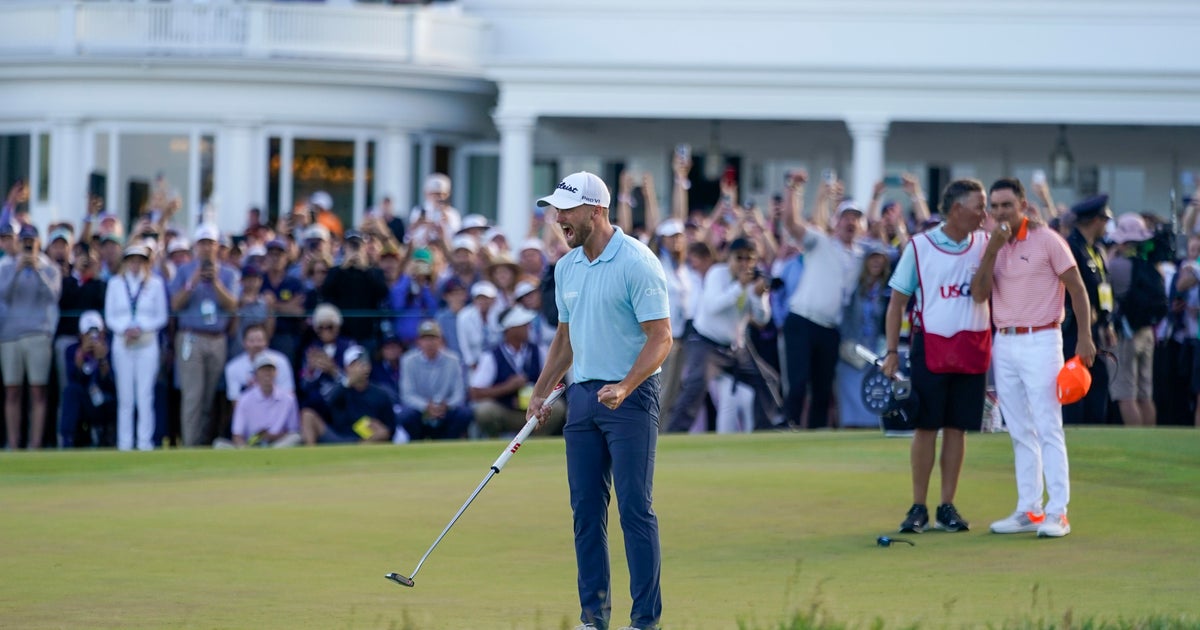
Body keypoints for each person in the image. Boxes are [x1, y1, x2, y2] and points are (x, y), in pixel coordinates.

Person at [525, 171, 672, 630]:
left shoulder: (637, 262)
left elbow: (661, 338)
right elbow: (565, 339)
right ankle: (593, 617)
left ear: (597, 211)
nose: (558, 219)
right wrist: (541, 388)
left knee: (634, 508)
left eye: (567, 211)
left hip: (630, 398)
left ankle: (645, 620)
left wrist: (626, 385)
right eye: (556, 211)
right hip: (583, 399)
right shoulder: (566, 267)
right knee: (586, 513)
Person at [971, 177, 1095, 539]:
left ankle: (1059, 511)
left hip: (1042, 338)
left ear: (1022, 205)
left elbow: (1077, 288)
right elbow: (979, 295)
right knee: (1019, 429)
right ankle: (1029, 509)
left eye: (1006, 205)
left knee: (1047, 425)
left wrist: (1085, 336)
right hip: (1005, 341)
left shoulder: (1048, 240)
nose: (999, 213)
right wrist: (993, 249)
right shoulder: (992, 245)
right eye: (994, 207)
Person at [882, 179, 992, 534]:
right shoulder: (920, 247)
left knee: (957, 428)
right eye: (979, 206)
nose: (984, 213)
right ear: (957, 209)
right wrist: (890, 352)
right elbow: (897, 301)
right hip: (930, 346)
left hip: (972, 347)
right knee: (926, 427)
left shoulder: (986, 243)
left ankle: (947, 505)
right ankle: (918, 505)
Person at [666, 237, 778, 432]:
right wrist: (740, 287)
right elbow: (712, 306)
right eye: (739, 258)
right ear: (729, 258)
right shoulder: (717, 274)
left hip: (734, 347)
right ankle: (675, 433)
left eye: (749, 259)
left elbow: (762, 319)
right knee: (696, 385)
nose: (744, 264)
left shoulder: (755, 280)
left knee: (767, 380)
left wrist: (759, 297)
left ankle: (767, 429)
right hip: (705, 343)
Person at [780, 171, 865, 429]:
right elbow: (791, 222)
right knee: (797, 384)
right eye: (846, 217)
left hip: (830, 329)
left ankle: (814, 434)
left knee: (823, 390)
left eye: (856, 218)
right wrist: (792, 189)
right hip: (802, 321)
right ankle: (788, 429)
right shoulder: (820, 241)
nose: (851, 222)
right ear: (836, 222)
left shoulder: (862, 256)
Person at [168, 223, 239, 447]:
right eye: (202, 243)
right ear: (196, 246)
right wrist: (193, 281)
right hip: (192, 337)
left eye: (210, 243)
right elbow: (175, 304)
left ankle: (202, 444)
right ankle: (190, 445)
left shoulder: (228, 273)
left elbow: (232, 305)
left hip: (217, 339)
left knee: (209, 399)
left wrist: (216, 282)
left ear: (217, 246)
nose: (207, 248)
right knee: (193, 397)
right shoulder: (184, 271)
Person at [0, 224, 62, 449]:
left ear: (38, 243)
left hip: (37, 334)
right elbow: (3, 295)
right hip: (9, 336)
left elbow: (53, 296)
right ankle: (14, 443)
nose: (27, 245)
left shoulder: (49, 268)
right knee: (12, 391)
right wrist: (17, 270)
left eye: (31, 241)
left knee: (38, 391)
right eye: (24, 241)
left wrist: (36, 270)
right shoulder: (6, 266)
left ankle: (34, 445)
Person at [105, 244, 169, 451]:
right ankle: (124, 443)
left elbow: (162, 317)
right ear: (125, 262)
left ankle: (144, 443)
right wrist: (125, 329)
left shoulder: (156, 284)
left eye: (139, 259)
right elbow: (110, 316)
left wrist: (141, 328)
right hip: (122, 343)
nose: (135, 263)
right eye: (131, 259)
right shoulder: (115, 284)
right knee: (125, 396)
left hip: (147, 343)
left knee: (145, 395)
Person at [1060, 195, 1116, 424]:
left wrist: (1108, 321)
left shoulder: (1097, 250)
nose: (1107, 225)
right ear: (1096, 220)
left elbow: (1103, 290)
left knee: (1098, 384)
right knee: (1076, 387)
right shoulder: (1071, 248)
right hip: (1075, 330)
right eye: (1105, 219)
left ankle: (1095, 434)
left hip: (1097, 331)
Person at [1106, 213, 1167, 426]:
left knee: (1126, 393)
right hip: (1147, 332)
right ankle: (1150, 437)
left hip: (1125, 334)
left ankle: (1135, 439)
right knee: (1145, 393)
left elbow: (1105, 286)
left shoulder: (1117, 265)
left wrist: (1111, 256)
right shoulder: (1151, 264)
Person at [469, 305, 565, 438]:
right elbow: (475, 392)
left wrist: (537, 395)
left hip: (534, 410)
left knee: (557, 407)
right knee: (484, 410)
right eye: (523, 325)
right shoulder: (491, 356)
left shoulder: (540, 350)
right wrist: (507, 388)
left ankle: (538, 441)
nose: (528, 327)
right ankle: (497, 441)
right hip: (505, 410)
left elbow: (554, 379)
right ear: (510, 329)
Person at [837, 244, 893, 428]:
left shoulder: (887, 289)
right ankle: (851, 424)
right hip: (854, 345)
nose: (876, 262)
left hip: (876, 346)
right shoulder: (855, 286)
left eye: (880, 258)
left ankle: (874, 424)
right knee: (849, 380)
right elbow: (845, 314)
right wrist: (846, 342)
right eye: (873, 257)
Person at [397, 320, 473, 440]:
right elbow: (407, 394)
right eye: (425, 339)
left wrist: (447, 405)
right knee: (406, 415)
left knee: (465, 413)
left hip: (446, 409)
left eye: (433, 339)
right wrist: (425, 406)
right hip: (421, 411)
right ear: (418, 342)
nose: (429, 343)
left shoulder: (453, 360)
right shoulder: (408, 361)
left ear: (440, 340)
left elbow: (459, 393)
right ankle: (417, 443)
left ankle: (449, 442)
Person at [302, 346, 394, 444]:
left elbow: (391, 428)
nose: (360, 367)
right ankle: (311, 454)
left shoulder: (380, 393)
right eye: (354, 364)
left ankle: (359, 450)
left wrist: (379, 427)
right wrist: (347, 383)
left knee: (382, 433)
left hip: (365, 439)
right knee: (307, 415)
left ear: (369, 367)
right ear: (347, 368)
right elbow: (329, 402)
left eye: (363, 363)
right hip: (338, 437)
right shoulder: (340, 388)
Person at [216, 353, 302, 449]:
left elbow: (293, 431)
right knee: (219, 444)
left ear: (276, 373)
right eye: (263, 370)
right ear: (256, 374)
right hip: (251, 445)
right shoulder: (244, 399)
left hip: (277, 445)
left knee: (295, 438)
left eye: (270, 370)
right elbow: (237, 434)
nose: (267, 374)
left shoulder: (288, 399)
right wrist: (249, 444)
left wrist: (271, 436)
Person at [59, 310, 117, 448]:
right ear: (80, 335)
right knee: (70, 392)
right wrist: (80, 360)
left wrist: (102, 360)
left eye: (96, 333)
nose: (93, 338)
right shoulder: (72, 350)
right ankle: (67, 440)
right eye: (88, 334)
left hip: (105, 401)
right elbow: (74, 381)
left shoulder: (111, 349)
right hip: (85, 400)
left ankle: (110, 437)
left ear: (103, 332)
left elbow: (111, 384)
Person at [224, 323, 294, 404]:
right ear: (244, 343)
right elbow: (235, 401)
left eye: (260, 340)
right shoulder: (233, 367)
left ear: (267, 342)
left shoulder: (281, 361)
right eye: (252, 341)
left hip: (277, 410)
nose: (256, 345)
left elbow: (289, 395)